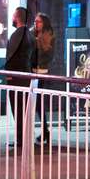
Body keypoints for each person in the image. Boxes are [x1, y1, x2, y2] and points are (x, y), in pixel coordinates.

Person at [1, 6, 33, 146]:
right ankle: (25, 137)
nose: (12, 18)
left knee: (18, 109)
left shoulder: (16, 36)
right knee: (24, 109)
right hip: (26, 75)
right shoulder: (30, 35)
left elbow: (12, 57)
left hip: (16, 77)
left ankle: (21, 139)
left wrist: (8, 74)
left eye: (13, 16)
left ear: (17, 18)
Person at [31, 12, 56, 147]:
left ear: (44, 23)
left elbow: (48, 56)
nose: (36, 24)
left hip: (41, 72)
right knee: (34, 104)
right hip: (31, 71)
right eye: (35, 21)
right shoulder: (32, 34)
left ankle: (45, 131)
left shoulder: (49, 36)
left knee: (39, 104)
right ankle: (44, 131)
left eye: (39, 21)